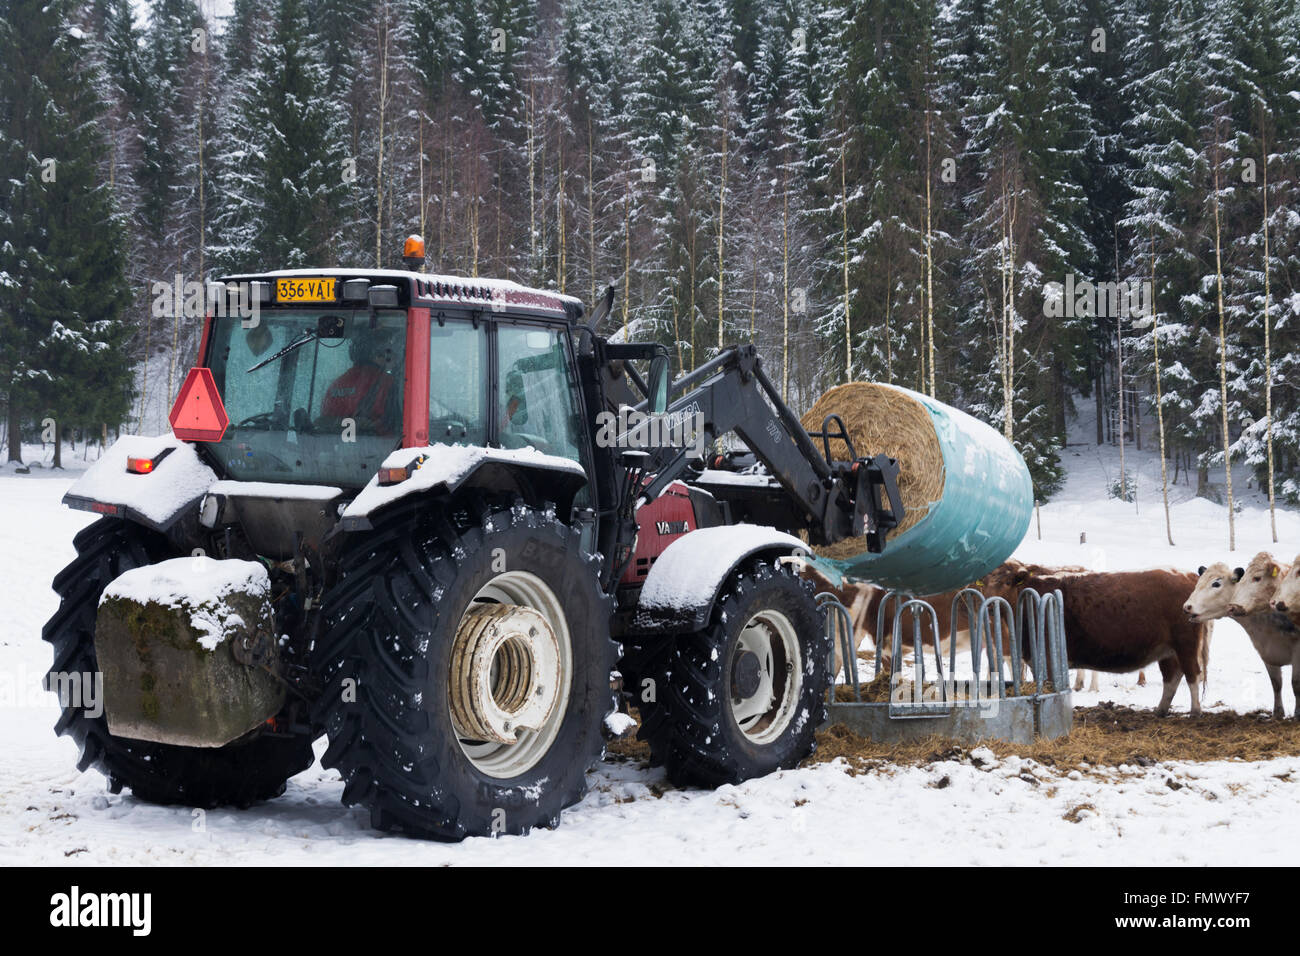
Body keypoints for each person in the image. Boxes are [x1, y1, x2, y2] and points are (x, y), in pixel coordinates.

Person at [320, 331, 400, 435]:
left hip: (338, 447)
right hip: (381, 447)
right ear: (377, 354)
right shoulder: (388, 383)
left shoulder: (337, 384)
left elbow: (324, 422)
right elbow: (396, 425)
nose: (391, 357)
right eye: (387, 351)